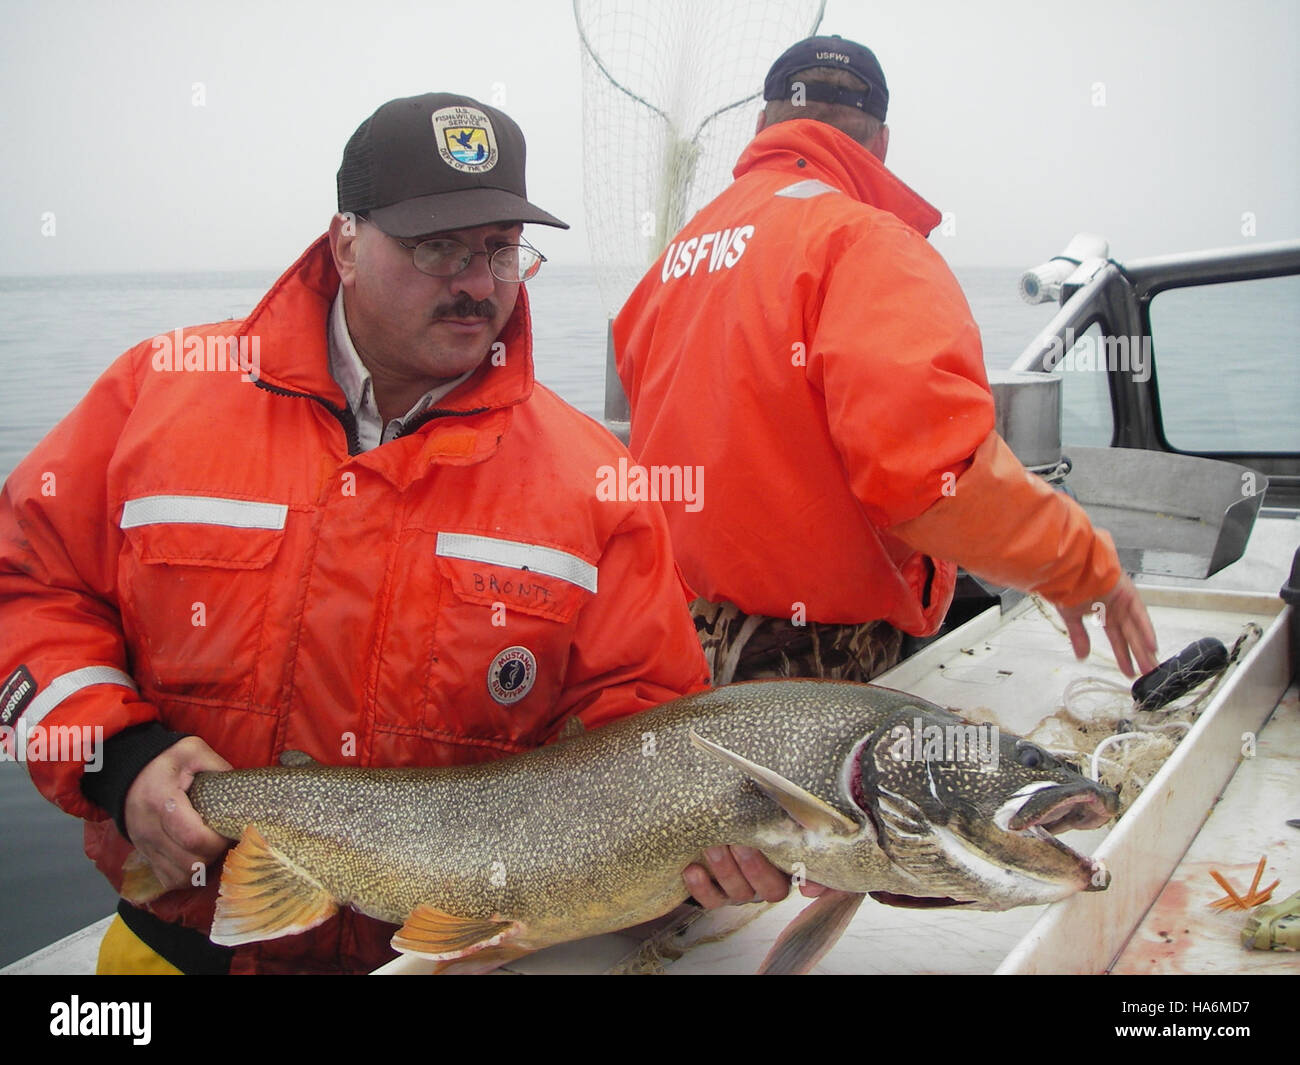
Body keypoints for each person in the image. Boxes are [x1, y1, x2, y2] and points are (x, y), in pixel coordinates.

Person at [0, 92, 711, 973]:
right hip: (178, 942)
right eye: (437, 247)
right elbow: (23, 588)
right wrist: (119, 759)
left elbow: (649, 723)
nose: (478, 283)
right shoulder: (157, 395)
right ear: (344, 241)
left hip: (446, 957)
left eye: (500, 250)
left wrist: (701, 839)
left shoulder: (596, 480)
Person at [613, 38, 1160, 907]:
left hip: (680, 648)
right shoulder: (865, 243)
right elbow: (932, 480)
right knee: (826, 893)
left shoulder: (676, 258)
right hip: (810, 674)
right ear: (881, 142)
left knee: (707, 903)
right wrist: (1082, 563)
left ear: (761, 127)